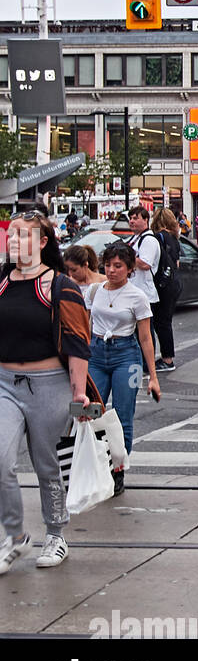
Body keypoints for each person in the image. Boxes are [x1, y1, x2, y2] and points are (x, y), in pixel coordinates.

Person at [0, 209, 92, 574]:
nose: (14, 240)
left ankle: (55, 534)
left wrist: (78, 395)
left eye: (23, 235)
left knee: (45, 465)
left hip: (48, 385)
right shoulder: (1, 281)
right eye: (11, 234)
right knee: (1, 462)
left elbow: (78, 344)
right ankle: (15, 536)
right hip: (5, 383)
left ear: (42, 243)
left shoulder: (60, 286)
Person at [87, 241, 160, 495]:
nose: (111, 270)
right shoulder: (95, 291)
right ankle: (96, 466)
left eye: (118, 266)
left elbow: (145, 338)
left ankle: (117, 470)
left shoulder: (137, 297)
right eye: (107, 265)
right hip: (96, 355)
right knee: (91, 412)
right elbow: (85, 327)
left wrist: (152, 375)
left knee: (122, 416)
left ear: (130, 269)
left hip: (126, 356)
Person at [148, 206, 181, 373]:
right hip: (172, 283)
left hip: (162, 284)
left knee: (160, 322)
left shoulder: (158, 237)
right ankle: (167, 357)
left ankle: (167, 359)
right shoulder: (174, 238)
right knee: (165, 322)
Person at [124, 203, 160, 313]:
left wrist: (125, 256)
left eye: (135, 218)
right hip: (132, 292)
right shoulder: (135, 238)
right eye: (130, 218)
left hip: (144, 295)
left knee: (145, 329)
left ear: (146, 220)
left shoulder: (149, 240)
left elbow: (145, 264)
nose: (131, 221)